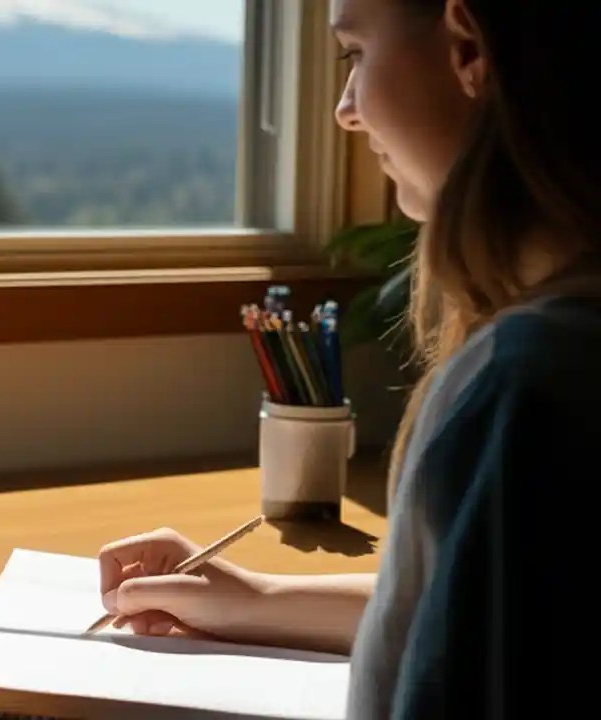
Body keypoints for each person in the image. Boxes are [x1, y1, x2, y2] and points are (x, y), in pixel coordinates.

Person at [96, 0, 600, 717]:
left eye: (354, 54)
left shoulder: (530, 386)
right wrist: (261, 599)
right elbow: (479, 608)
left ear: (468, 50)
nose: (345, 111)